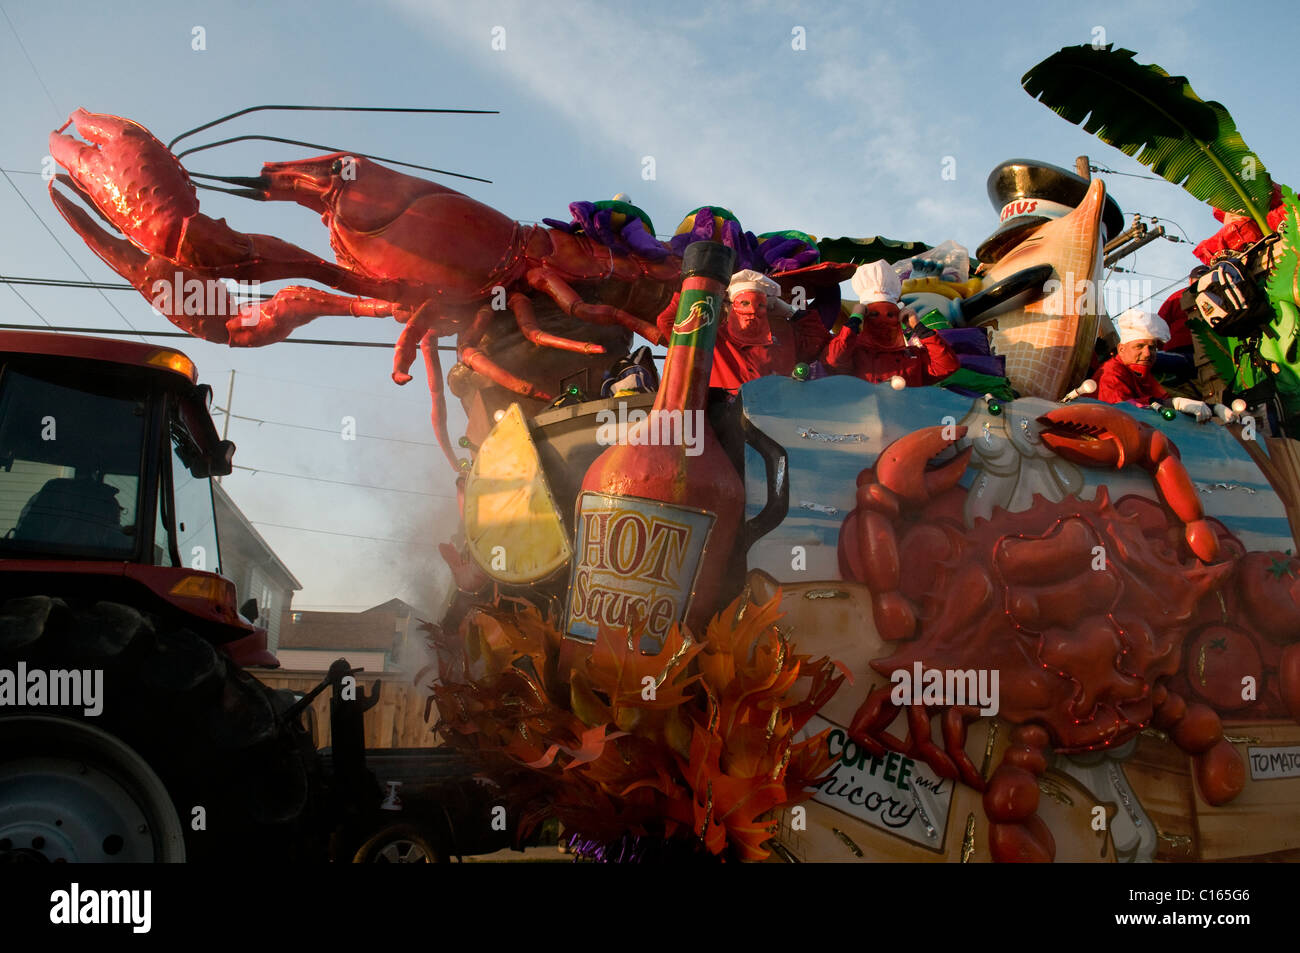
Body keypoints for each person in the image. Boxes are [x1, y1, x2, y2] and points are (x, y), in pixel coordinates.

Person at [655, 268, 829, 393]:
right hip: (725, 427)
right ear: (729, 307)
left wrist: (791, 311)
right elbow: (668, 322)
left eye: (760, 305)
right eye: (744, 303)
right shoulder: (711, 338)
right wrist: (695, 283)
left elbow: (820, 344)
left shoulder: (784, 336)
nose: (752, 311)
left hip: (780, 422)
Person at [824, 260, 958, 386]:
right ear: (865, 317)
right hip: (864, 410)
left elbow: (947, 365)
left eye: (890, 314)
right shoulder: (855, 351)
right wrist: (854, 319)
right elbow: (834, 360)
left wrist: (918, 327)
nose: (883, 320)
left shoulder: (914, 355)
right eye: (874, 314)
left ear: (899, 316)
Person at [1096, 308, 1213, 420]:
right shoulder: (1111, 374)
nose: (1147, 353)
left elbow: (1162, 400)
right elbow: (1123, 409)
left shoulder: (1142, 374)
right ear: (1121, 349)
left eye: (1152, 348)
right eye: (1139, 346)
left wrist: (1213, 408)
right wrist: (1175, 403)